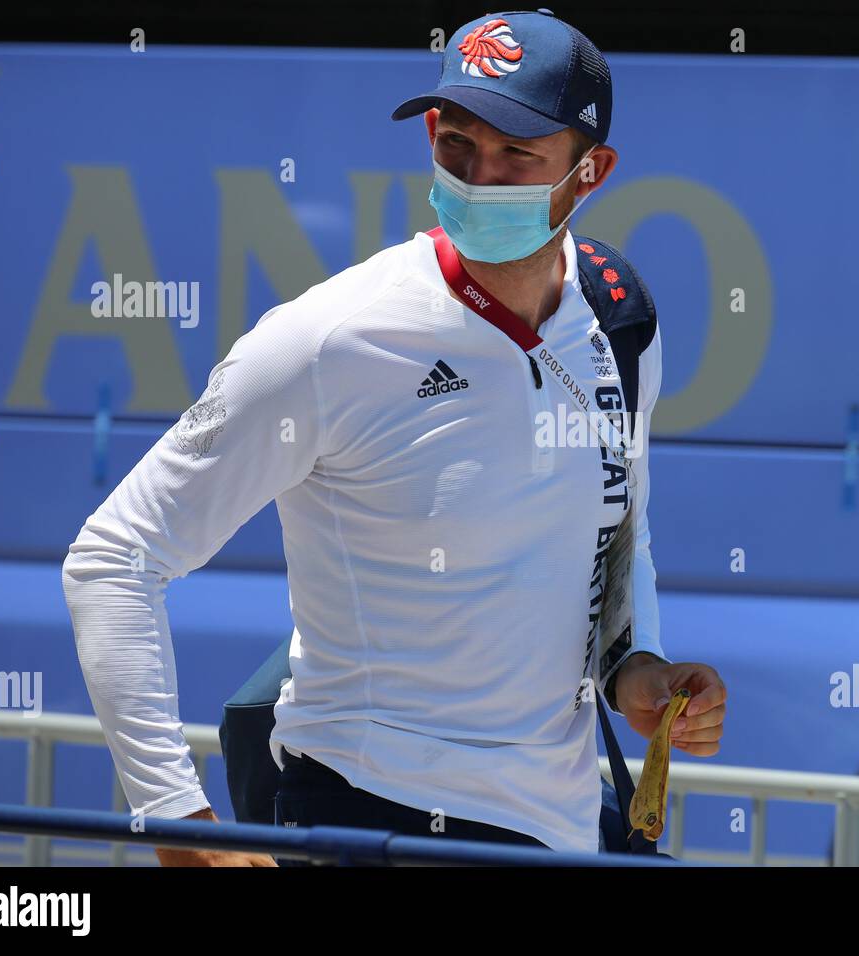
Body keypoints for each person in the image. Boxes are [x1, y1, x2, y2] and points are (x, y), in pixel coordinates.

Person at [62, 8, 726, 866]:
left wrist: (639, 670)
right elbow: (114, 557)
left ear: (590, 172)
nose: (479, 178)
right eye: (456, 145)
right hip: (370, 819)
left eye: (517, 155)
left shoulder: (617, 311)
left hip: (558, 826)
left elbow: (618, 526)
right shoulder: (331, 339)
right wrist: (182, 831)